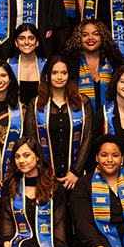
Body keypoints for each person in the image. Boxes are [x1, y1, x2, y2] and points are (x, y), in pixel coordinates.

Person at [36, 54, 90, 182]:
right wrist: (44, 171)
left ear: (69, 76)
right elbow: (32, 139)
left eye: (63, 73)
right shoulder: (36, 104)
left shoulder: (82, 103)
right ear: (47, 76)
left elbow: (88, 137)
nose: (59, 77)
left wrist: (76, 172)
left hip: (76, 177)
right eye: (55, 73)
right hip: (45, 177)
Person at [72, 19, 123, 109]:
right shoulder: (72, 63)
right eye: (85, 35)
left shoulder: (114, 62)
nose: (90, 37)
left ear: (102, 37)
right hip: (81, 117)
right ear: (79, 39)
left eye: (96, 34)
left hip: (110, 118)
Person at [7, 23, 47, 106]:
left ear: (37, 42)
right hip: (15, 114)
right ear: (16, 43)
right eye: (22, 38)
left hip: (41, 114)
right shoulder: (9, 64)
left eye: (31, 38)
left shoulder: (46, 64)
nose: (26, 42)